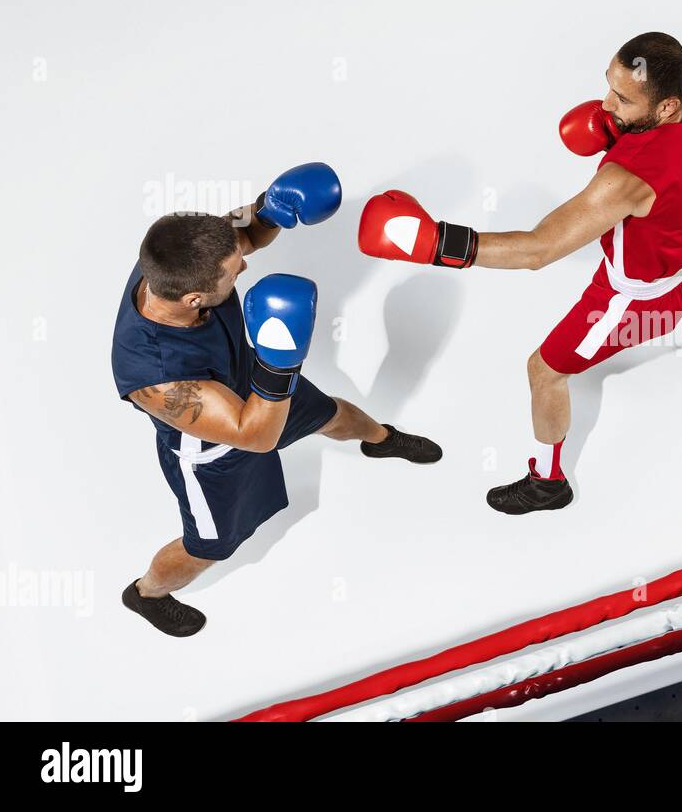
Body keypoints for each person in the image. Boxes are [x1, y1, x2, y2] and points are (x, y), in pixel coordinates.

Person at [359, 32, 682, 515]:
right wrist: (632, 124)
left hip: (634, 300)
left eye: (623, 100)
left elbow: (537, 251)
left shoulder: (626, 181)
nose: (606, 106)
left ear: (668, 108)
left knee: (543, 371)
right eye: (609, 86)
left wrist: (438, 244)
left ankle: (548, 481)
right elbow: (678, 163)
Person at [111, 162, 442, 636]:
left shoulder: (176, 260)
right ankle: (146, 593)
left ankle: (380, 439)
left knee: (331, 412)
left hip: (249, 380)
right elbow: (256, 436)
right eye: (231, 274)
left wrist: (273, 208)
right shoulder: (156, 379)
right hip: (215, 449)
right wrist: (280, 362)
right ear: (193, 299)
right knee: (209, 545)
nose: (242, 266)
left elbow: (244, 235)